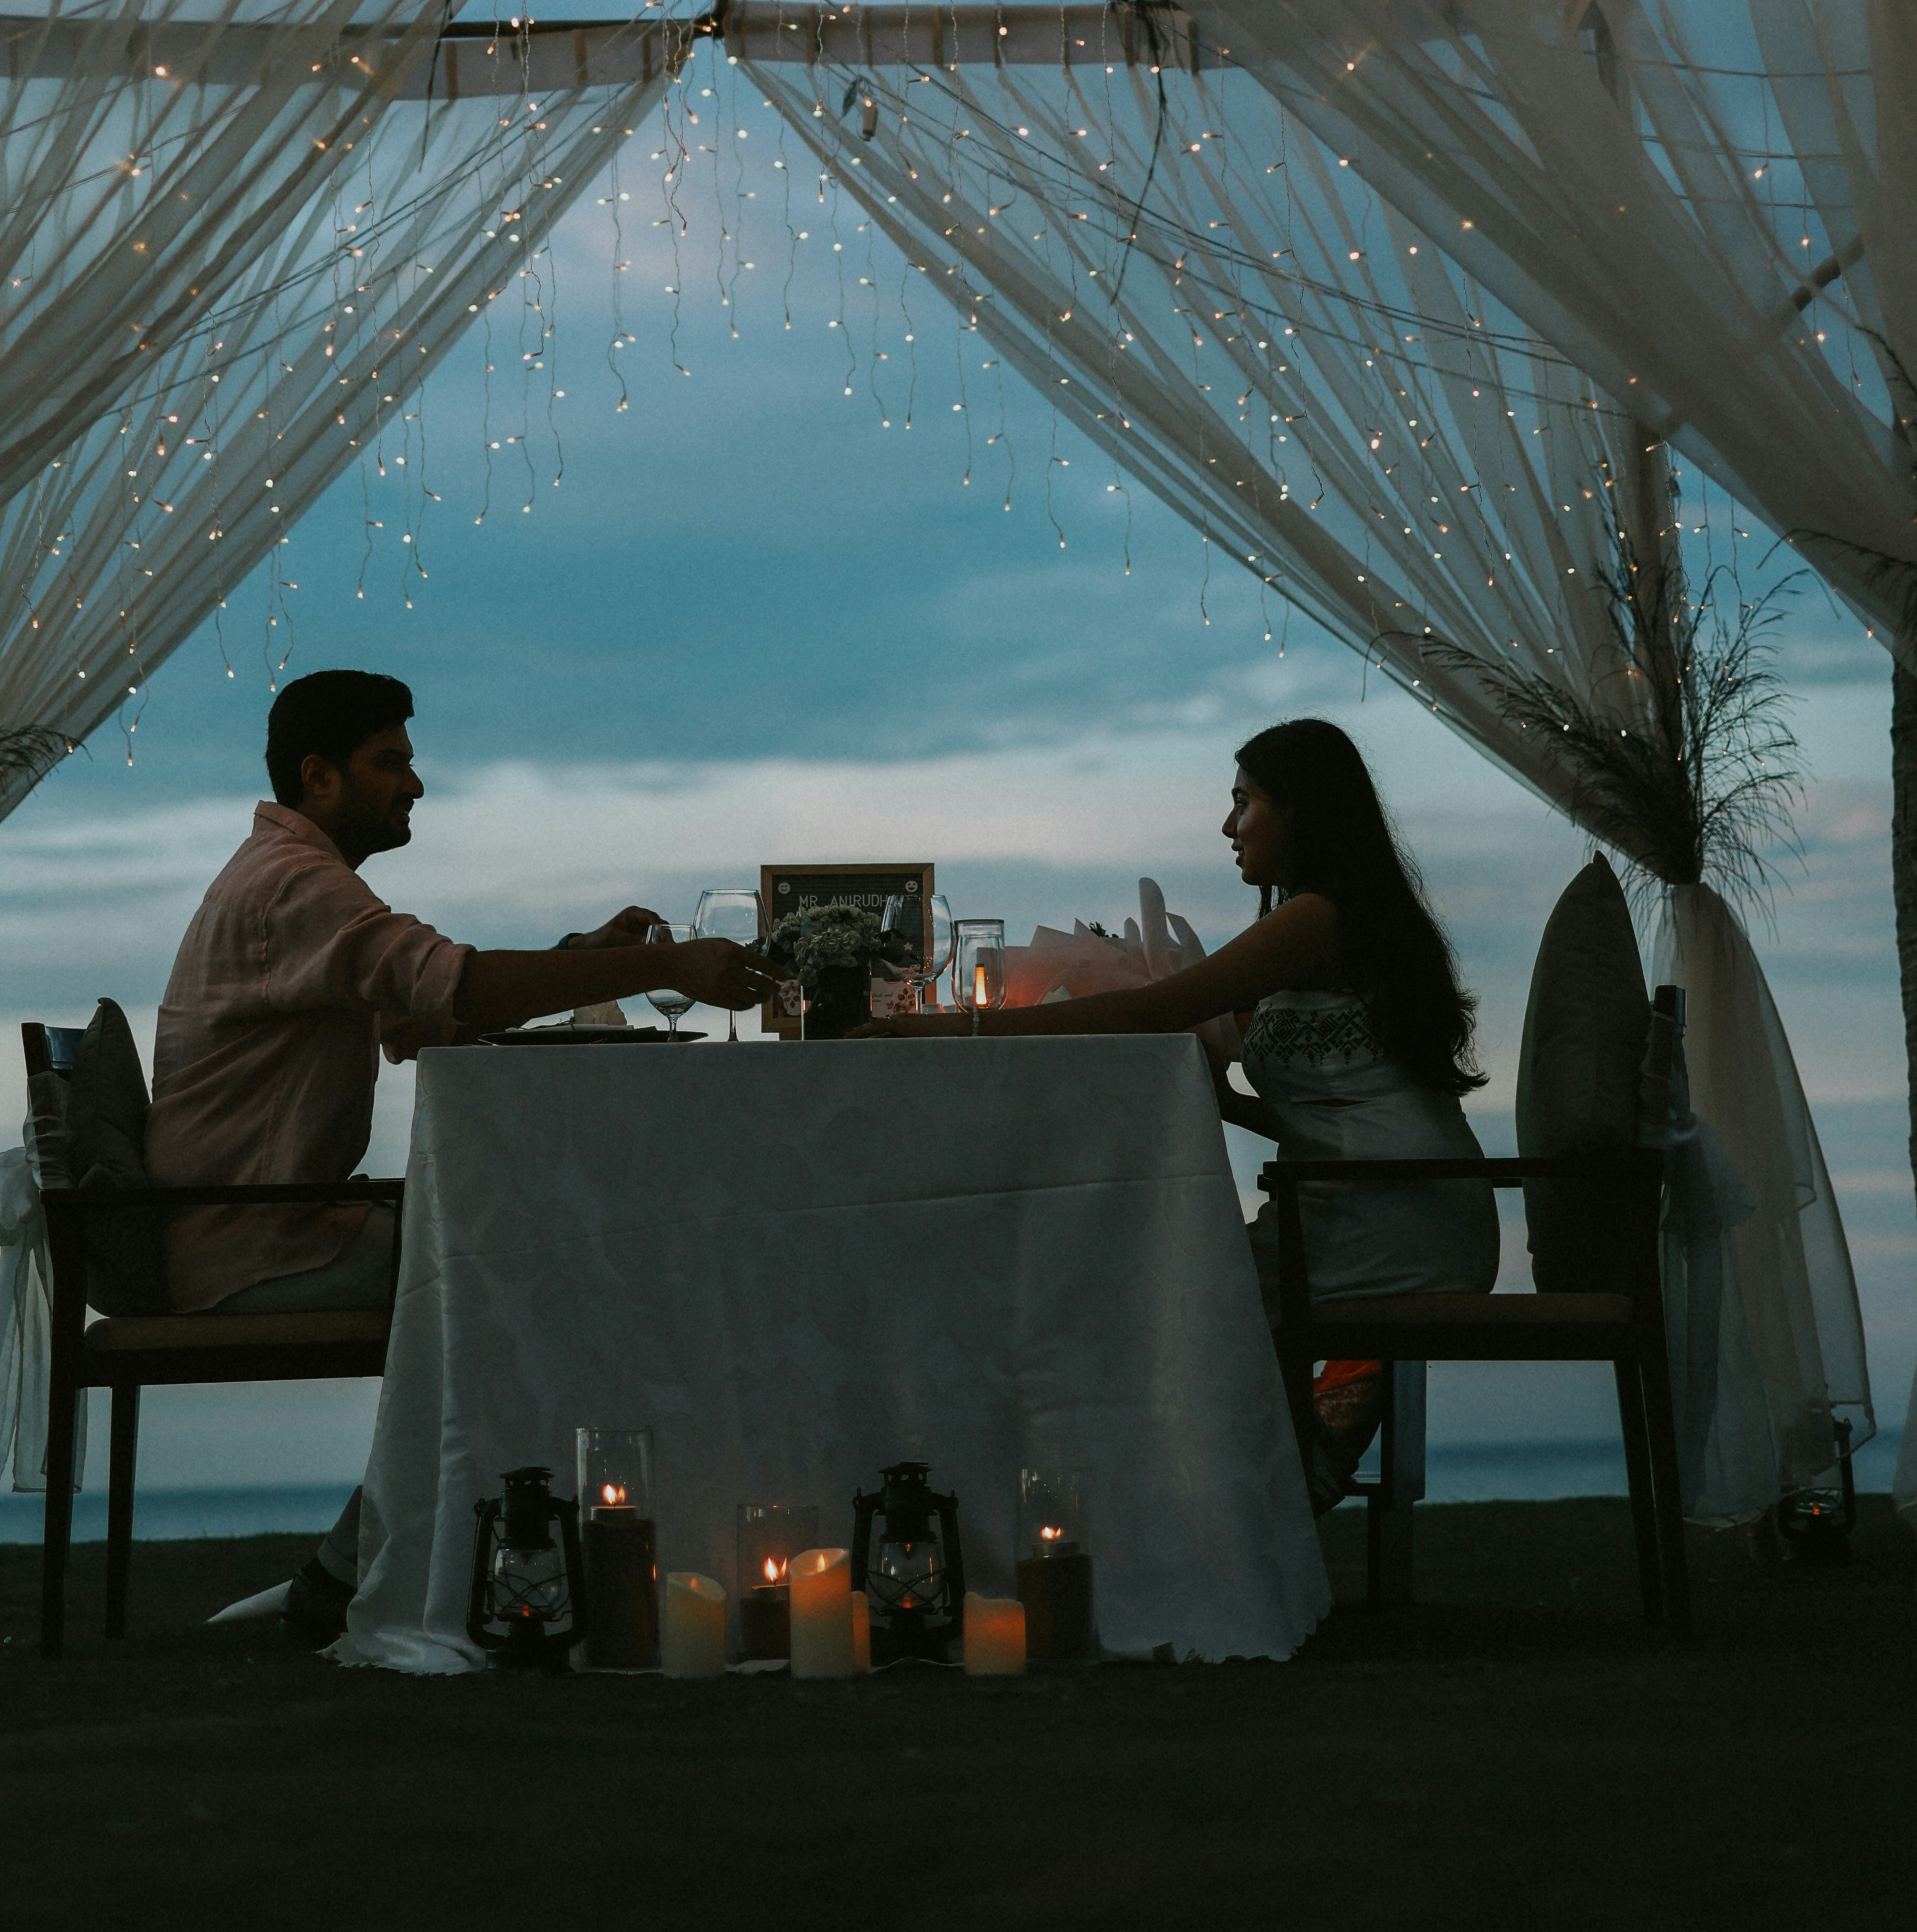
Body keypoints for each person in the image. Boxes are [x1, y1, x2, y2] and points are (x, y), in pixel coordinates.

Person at [147, 664, 762, 1641]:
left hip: (258, 1228)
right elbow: (455, 993)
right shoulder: (296, 887)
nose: (415, 786)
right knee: (528, 1276)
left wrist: (573, 954)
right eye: (391, 764)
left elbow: (420, 1014)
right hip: (254, 1248)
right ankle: (387, 1572)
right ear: (320, 777)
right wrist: (662, 964)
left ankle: (396, 1564)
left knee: (525, 1259)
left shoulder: (291, 881)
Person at [864, 714, 1492, 1492]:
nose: (1228, 825)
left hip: (1397, 1214)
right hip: (1357, 1199)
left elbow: (1152, 1011)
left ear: (1299, 808)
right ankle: (1267, 1498)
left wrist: (945, 1032)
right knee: (1175, 1291)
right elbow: (1340, 1106)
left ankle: (1240, 1505)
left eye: (1244, 801)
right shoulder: (1326, 918)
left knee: (1173, 1298)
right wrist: (1227, 1106)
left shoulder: (1318, 918)